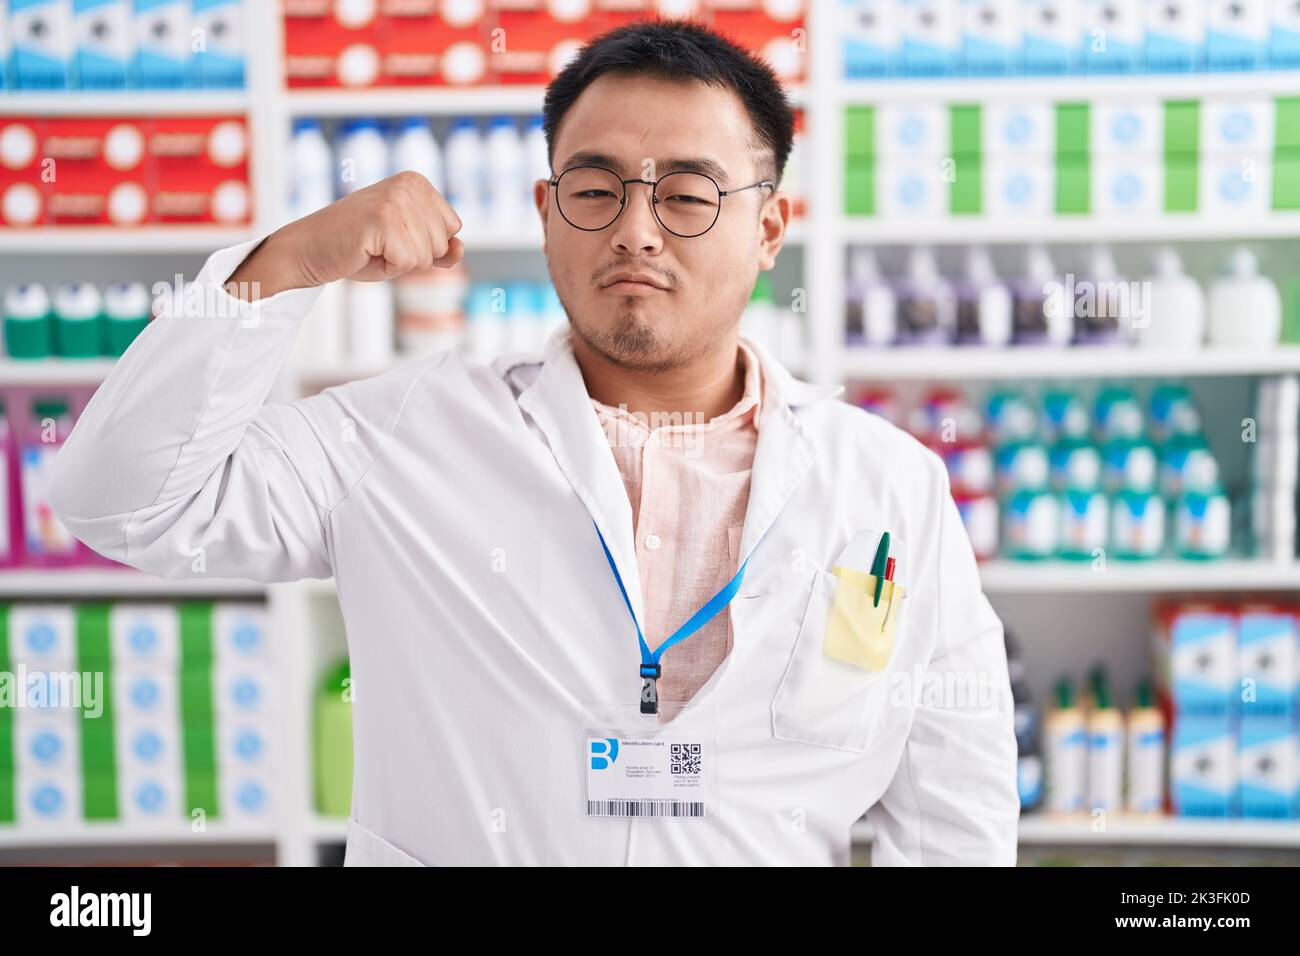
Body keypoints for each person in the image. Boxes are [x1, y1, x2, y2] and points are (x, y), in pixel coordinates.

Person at [48, 19, 1017, 866]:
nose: (636, 230)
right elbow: (118, 500)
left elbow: (952, 811)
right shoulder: (398, 435)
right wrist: (286, 264)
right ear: (547, 213)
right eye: (594, 189)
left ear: (769, 228)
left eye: (687, 195)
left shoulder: (888, 487)